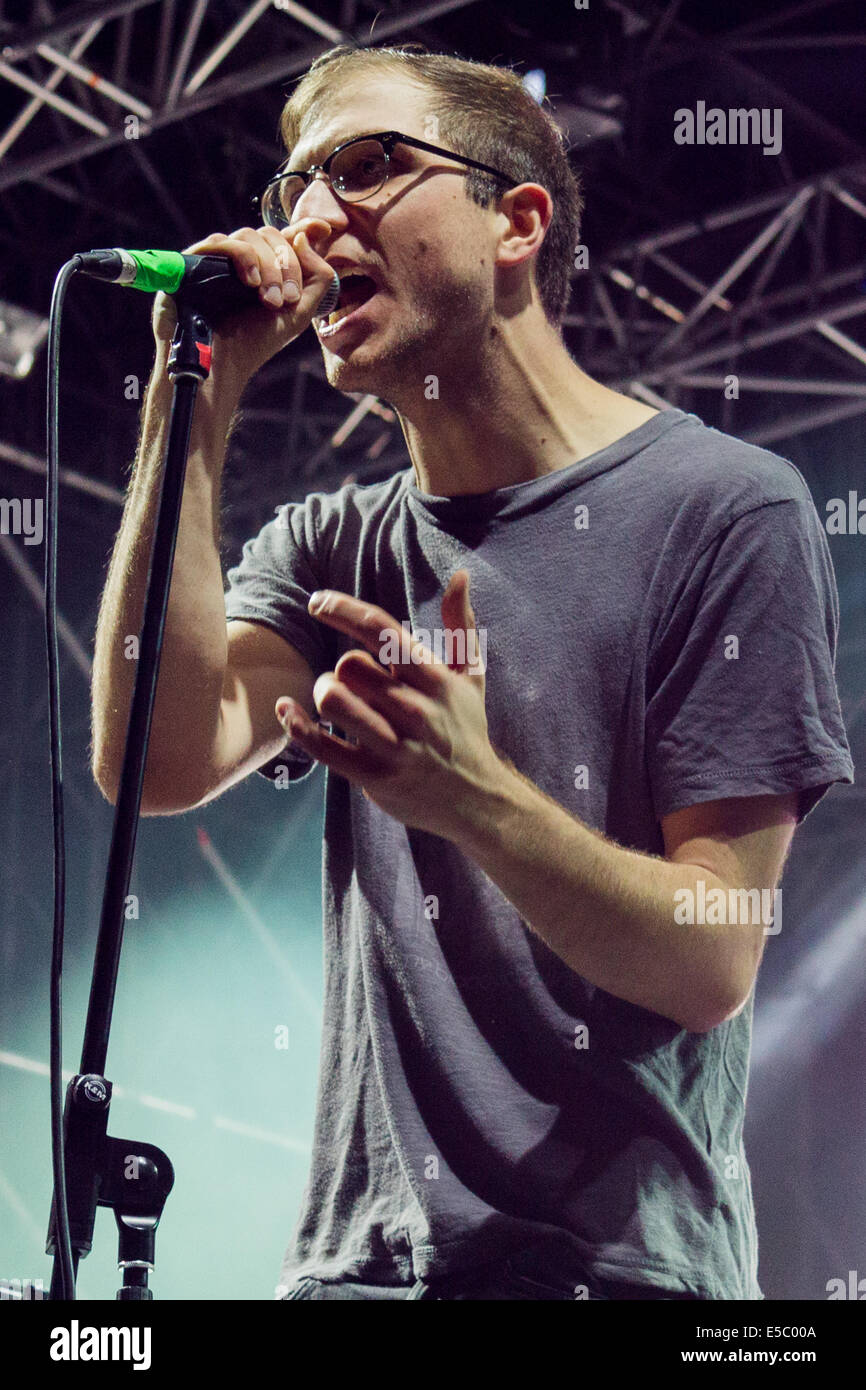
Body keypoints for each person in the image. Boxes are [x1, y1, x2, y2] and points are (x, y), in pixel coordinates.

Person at [90, 43, 854, 1301]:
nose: (311, 216)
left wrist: (470, 795)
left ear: (517, 221)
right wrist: (197, 400)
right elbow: (154, 761)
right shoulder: (331, 544)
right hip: (355, 1274)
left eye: (366, 167)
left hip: (612, 1279)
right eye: (293, 192)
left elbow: (711, 954)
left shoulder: (723, 510)